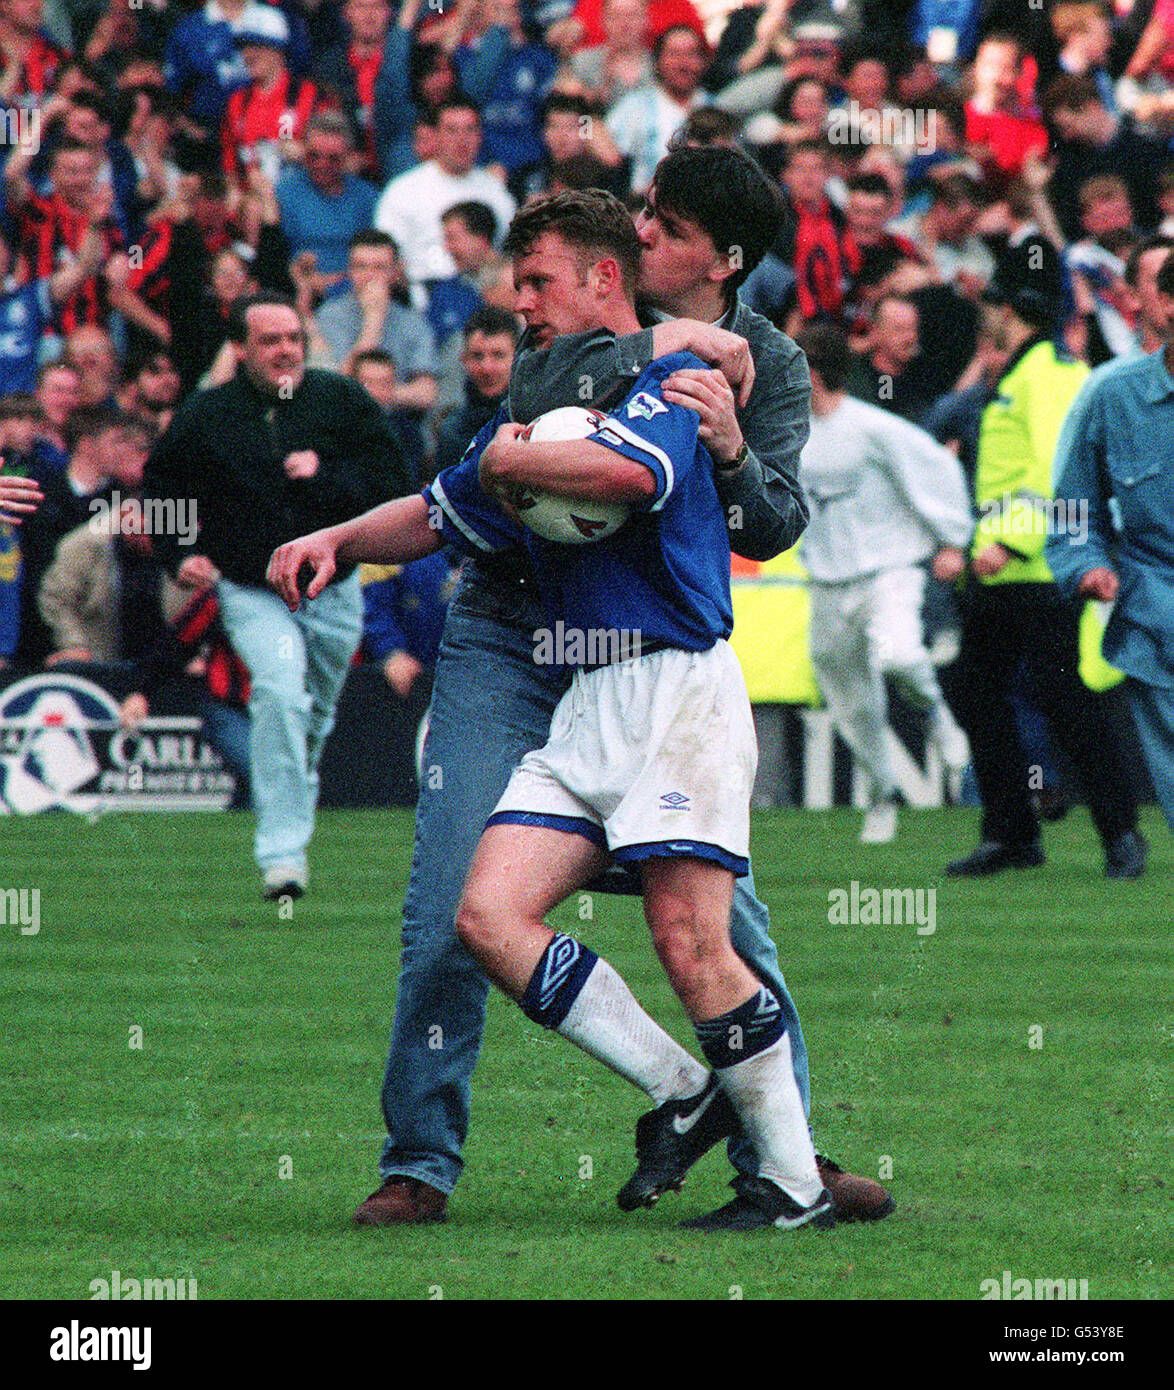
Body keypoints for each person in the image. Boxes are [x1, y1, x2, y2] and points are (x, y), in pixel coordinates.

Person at [278, 143, 892, 1226]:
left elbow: (749, 513)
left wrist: (730, 446)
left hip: (658, 668)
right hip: (514, 635)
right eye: (640, 216)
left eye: (666, 224)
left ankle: (781, 1157)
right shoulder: (571, 353)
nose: (645, 229)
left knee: (716, 929)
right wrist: (340, 532)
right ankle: (424, 1161)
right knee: (457, 912)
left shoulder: (743, 366)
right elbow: (448, 496)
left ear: (722, 255)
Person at [141, 293, 410, 899]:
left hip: (334, 588)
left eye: (293, 337)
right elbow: (160, 483)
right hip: (253, 590)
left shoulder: (340, 399)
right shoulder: (208, 413)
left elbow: (396, 487)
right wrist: (180, 552)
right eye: (270, 340)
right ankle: (283, 859)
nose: (287, 349)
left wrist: (327, 474)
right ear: (239, 349)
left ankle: (294, 784)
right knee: (280, 696)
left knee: (311, 718)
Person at [943, 242, 1146, 879]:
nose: (987, 317)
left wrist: (1015, 542)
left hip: (1033, 571)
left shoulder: (1047, 377)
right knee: (983, 691)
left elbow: (1059, 479)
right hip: (1009, 572)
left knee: (1064, 702)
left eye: (993, 306)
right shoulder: (1035, 371)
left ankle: (1114, 832)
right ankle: (1016, 831)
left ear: (1011, 310)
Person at [795, 322, 973, 844]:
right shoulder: (786, 432)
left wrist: (953, 540)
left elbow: (936, 468)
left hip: (889, 570)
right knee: (851, 702)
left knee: (899, 656)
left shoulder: (873, 427)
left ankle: (938, 716)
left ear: (814, 372)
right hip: (827, 582)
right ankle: (881, 793)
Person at [1046, 251, 1174, 831]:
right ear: (1160, 306)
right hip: (1156, 614)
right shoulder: (1109, 395)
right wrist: (1085, 566)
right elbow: (1073, 507)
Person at [373, 97, 517, 290]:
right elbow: (386, 257)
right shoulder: (403, 190)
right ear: (436, 136)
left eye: (470, 130)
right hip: (424, 297)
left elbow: (507, 255)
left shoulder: (496, 190)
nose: (462, 140)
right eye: (452, 130)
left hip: (487, 297)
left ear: (480, 135)